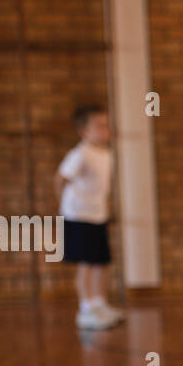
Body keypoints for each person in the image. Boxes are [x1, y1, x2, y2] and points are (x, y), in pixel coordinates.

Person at [55, 105, 122, 330]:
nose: (105, 130)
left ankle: (99, 302)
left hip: (97, 215)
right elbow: (60, 179)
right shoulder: (79, 154)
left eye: (106, 125)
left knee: (101, 261)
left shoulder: (106, 154)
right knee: (85, 263)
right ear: (84, 131)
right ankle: (85, 308)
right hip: (78, 216)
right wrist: (64, 207)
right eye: (99, 126)